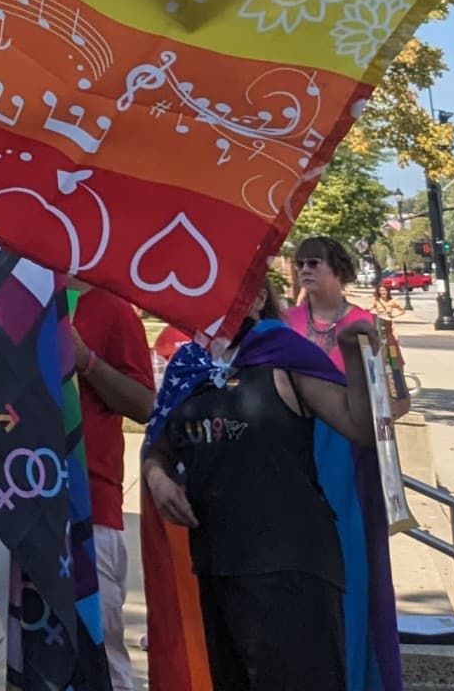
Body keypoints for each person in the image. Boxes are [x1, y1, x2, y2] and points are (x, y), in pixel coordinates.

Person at [143, 272, 376, 691]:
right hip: (216, 564)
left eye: (230, 294)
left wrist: (354, 357)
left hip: (288, 567)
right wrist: (158, 478)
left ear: (257, 301)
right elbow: (160, 449)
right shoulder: (187, 369)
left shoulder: (283, 356)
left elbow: (360, 426)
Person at [285, 235, 405, 691]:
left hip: (349, 462)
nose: (304, 271)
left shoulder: (369, 324)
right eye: (299, 264)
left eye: (313, 263)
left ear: (338, 268)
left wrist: (375, 405)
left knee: (350, 570)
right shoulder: (284, 323)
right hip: (292, 456)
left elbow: (399, 397)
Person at [65, 278, 156, 691]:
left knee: (100, 649)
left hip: (91, 505)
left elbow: (145, 404)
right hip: (20, 502)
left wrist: (87, 361)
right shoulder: (17, 303)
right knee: (30, 649)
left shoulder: (114, 309)